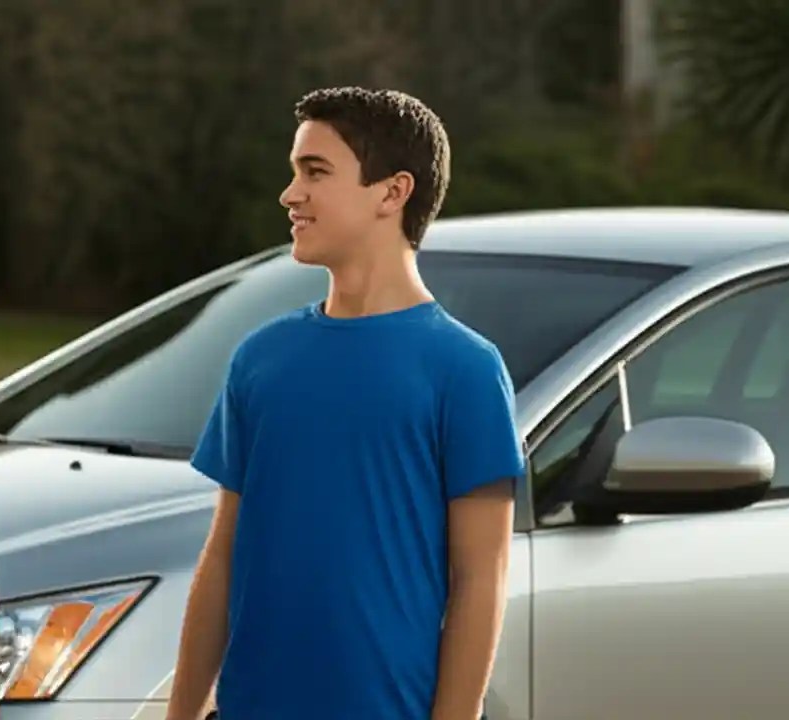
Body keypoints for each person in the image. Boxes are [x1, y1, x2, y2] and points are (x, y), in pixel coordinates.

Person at [164, 87, 525, 720]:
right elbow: (222, 555)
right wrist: (182, 713)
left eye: (315, 172)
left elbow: (481, 580)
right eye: (294, 171)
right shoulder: (261, 359)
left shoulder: (464, 369)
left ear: (392, 192)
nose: (290, 193)